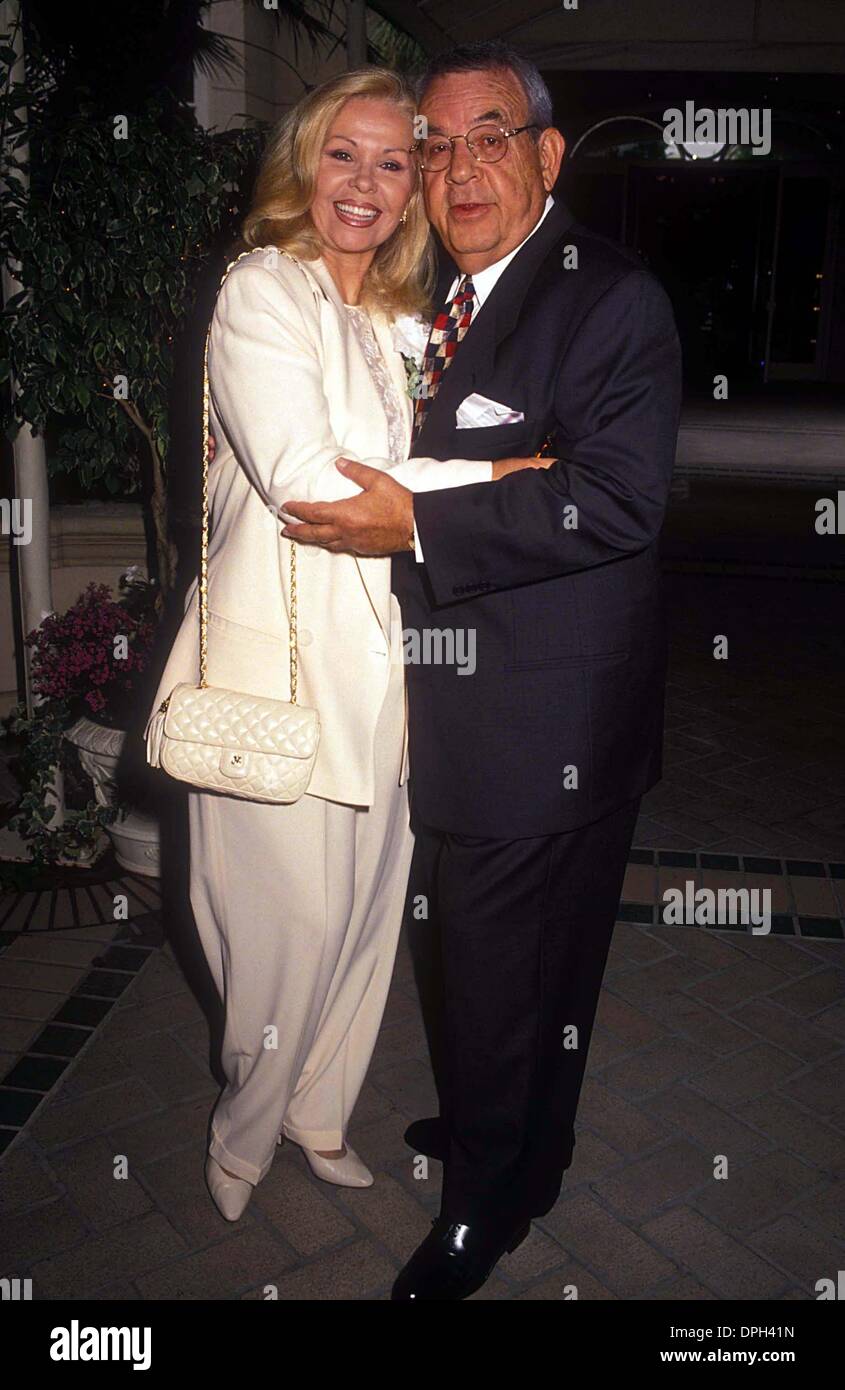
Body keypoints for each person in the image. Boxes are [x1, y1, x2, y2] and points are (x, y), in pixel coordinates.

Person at [280, 41, 683, 1298]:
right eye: (437, 145)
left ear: (547, 156)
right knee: (511, 965)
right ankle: (515, 1146)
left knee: (503, 970)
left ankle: (481, 1210)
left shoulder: (605, 297)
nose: (458, 169)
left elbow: (615, 500)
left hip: (546, 715)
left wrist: (418, 523)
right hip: (458, 708)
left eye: (489, 136)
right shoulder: (427, 305)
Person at [144, 65, 547, 1225]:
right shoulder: (260, 292)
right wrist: (493, 478)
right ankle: (243, 1123)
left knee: (370, 913)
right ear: (301, 166)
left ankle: (317, 1112)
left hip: (386, 669)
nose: (365, 183)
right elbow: (310, 485)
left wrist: (482, 472)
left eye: (391, 160)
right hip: (275, 666)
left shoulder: (393, 322)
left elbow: (397, 473)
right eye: (342, 154)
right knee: (288, 924)